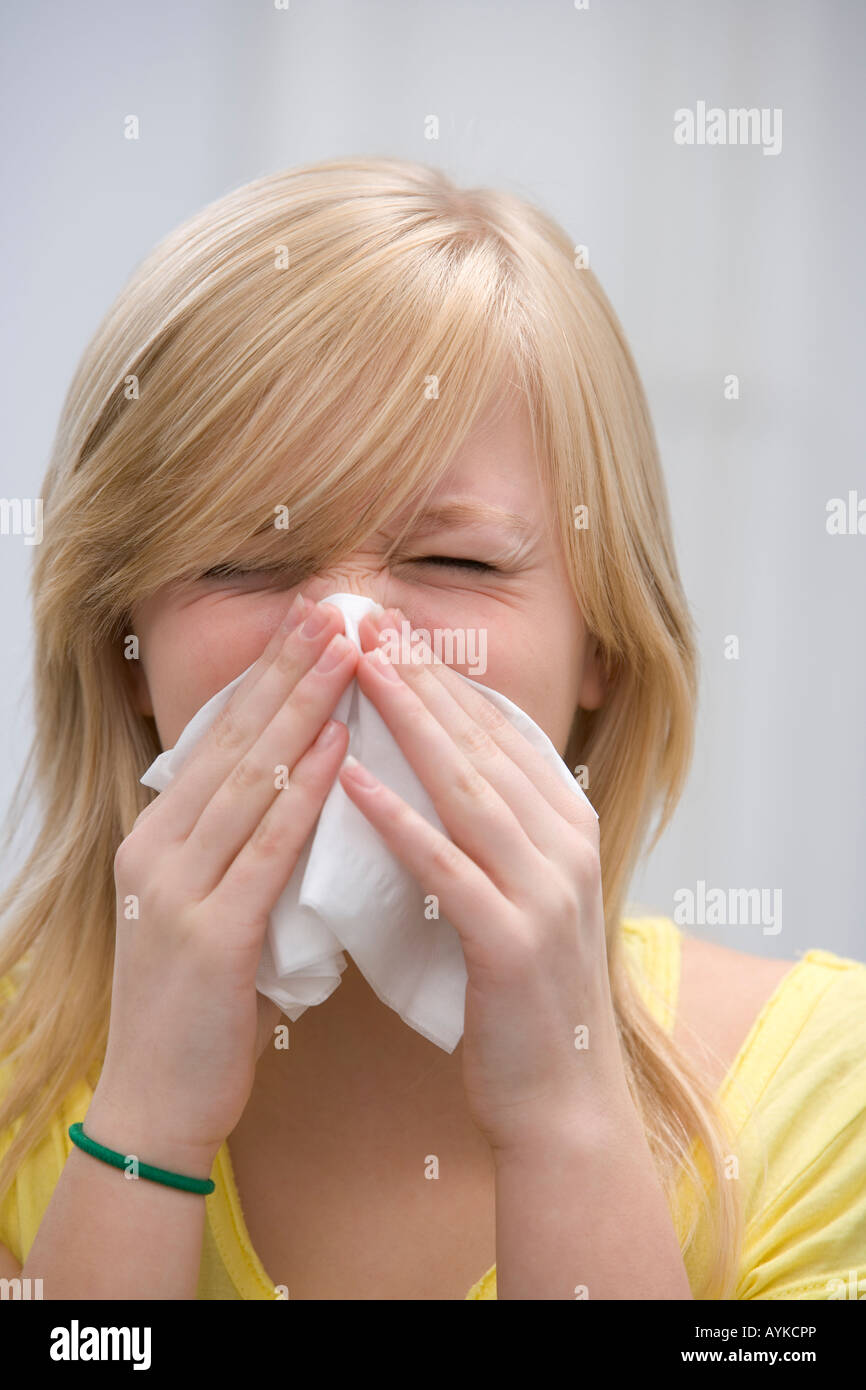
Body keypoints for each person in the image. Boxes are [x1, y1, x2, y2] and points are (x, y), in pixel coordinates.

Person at [0, 158, 863, 1300]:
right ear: (122, 655)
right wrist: (146, 1118)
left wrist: (563, 1115)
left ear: (602, 640)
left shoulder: (822, 1091)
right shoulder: (19, 1092)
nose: (350, 632)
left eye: (453, 560)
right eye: (246, 560)